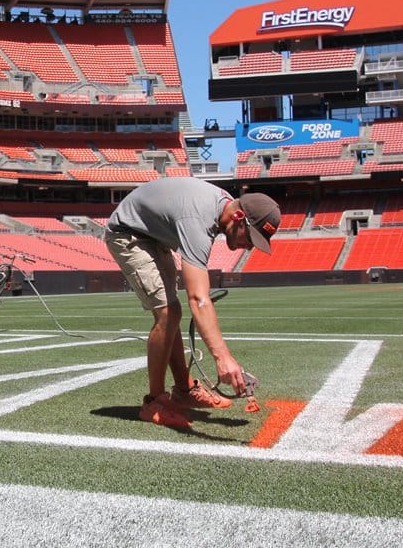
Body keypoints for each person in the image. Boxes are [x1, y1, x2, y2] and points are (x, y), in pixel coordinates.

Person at [105, 178, 280, 428]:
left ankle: (183, 391)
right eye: (250, 237)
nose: (248, 247)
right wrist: (223, 358)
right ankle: (153, 401)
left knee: (172, 312)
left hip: (155, 237)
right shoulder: (199, 220)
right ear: (238, 216)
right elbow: (198, 299)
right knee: (168, 312)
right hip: (128, 233)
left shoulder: (218, 211)